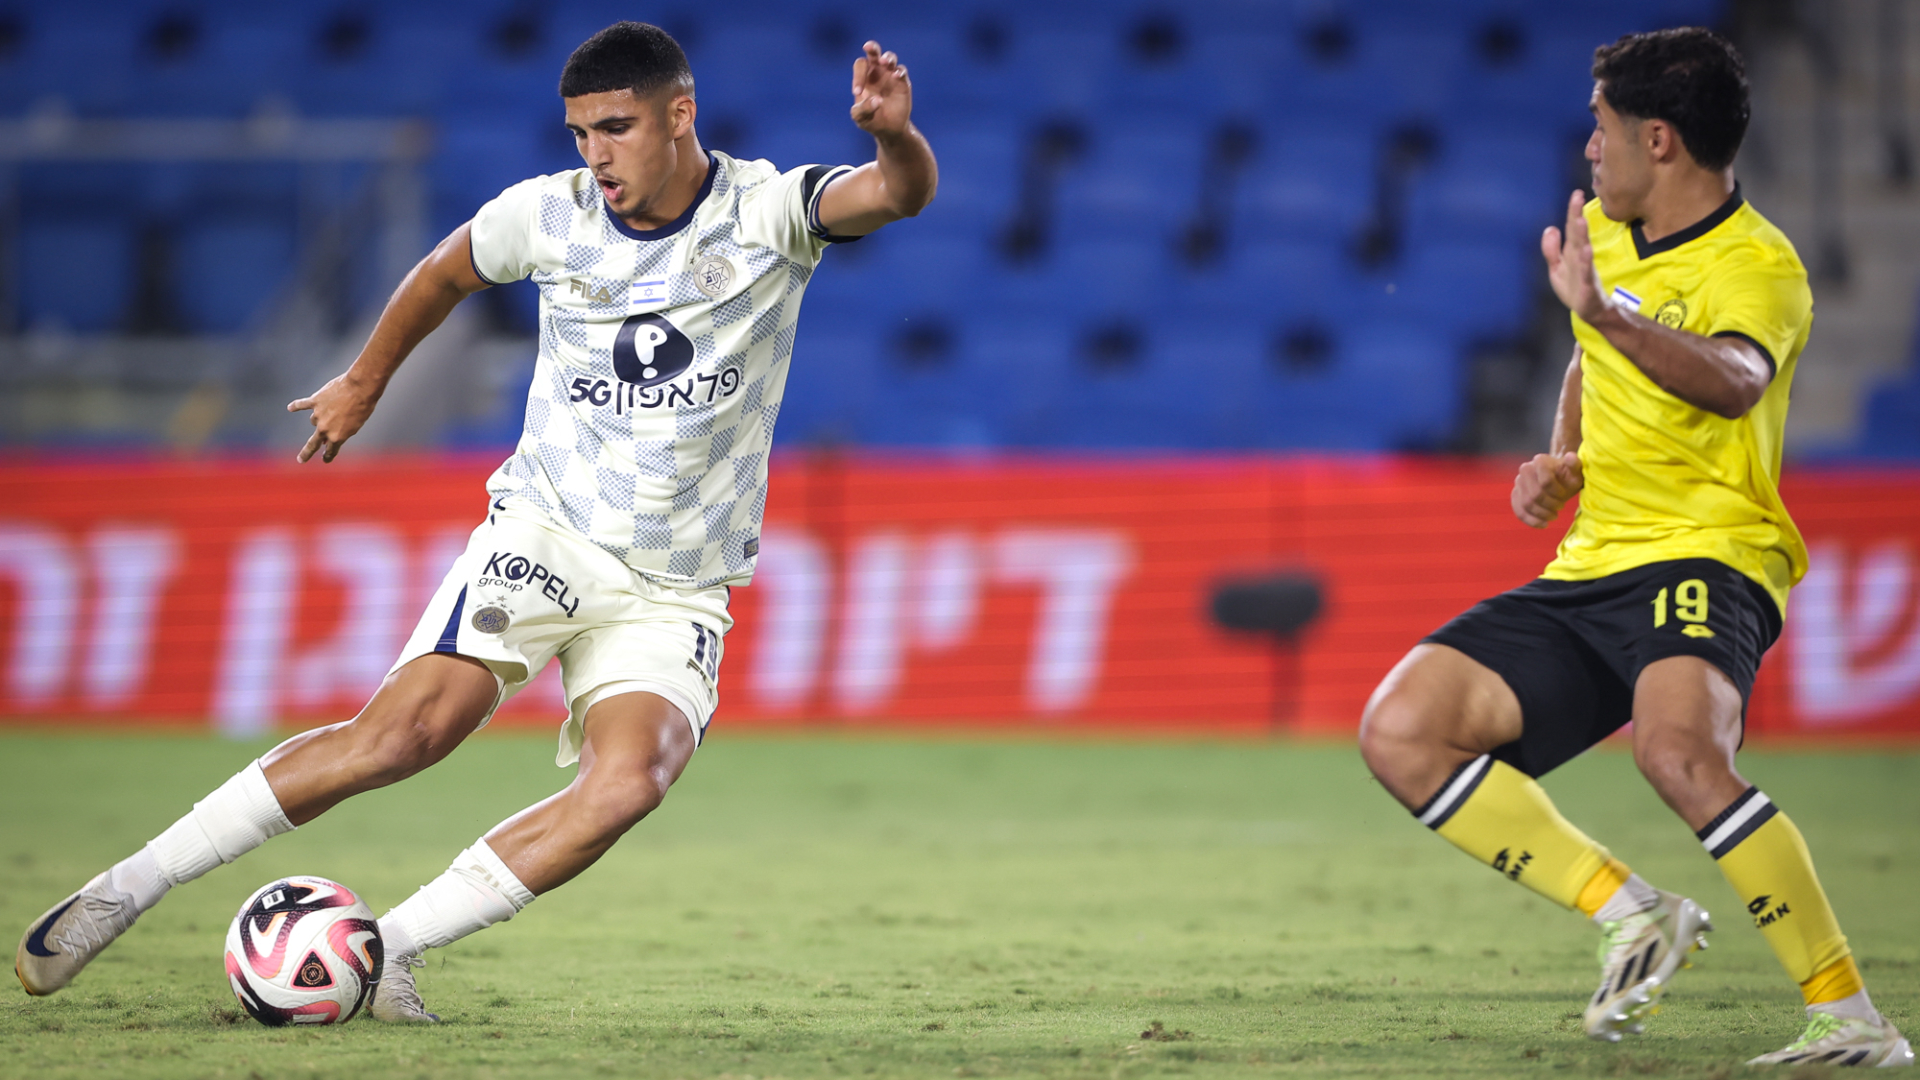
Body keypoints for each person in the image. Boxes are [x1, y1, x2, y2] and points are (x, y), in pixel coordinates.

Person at [15, 21, 935, 1022]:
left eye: (617, 128)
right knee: (402, 738)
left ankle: (382, 951)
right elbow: (445, 269)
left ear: (681, 113)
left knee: (630, 782)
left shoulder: (765, 210)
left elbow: (895, 195)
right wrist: (362, 382)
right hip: (547, 535)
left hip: (677, 583)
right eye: (581, 132)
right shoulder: (548, 215)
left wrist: (895, 138)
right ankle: (125, 889)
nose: (596, 154)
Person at [1356, 28, 1910, 1068]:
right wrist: (1560, 456)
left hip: (1711, 557)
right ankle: (1635, 911)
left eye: (1601, 128)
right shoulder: (1608, 241)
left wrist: (1605, 318)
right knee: (1402, 730)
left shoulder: (1762, 265)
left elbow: (1732, 378)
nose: (1587, 150)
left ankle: (1851, 1018)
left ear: (1659, 139)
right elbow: (1587, 357)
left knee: (1679, 753)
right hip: (1593, 567)